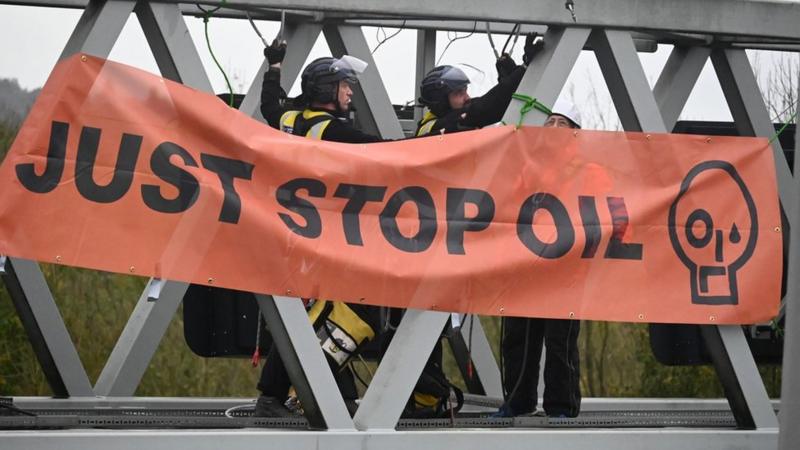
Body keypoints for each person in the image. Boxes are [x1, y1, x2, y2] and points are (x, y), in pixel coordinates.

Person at [254, 40, 387, 417]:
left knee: (318, 317)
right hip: (318, 239)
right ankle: (273, 395)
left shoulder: (290, 119)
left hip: (290, 235)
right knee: (333, 317)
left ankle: (335, 394)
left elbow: (269, 105)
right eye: (345, 86)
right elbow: (384, 150)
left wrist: (274, 67)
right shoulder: (331, 130)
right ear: (328, 90)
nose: (349, 92)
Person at [496, 99, 583, 418]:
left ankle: (562, 405)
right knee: (518, 336)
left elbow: (609, 210)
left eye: (563, 123)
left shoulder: (589, 170)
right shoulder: (527, 167)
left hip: (565, 267)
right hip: (525, 265)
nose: (555, 129)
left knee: (560, 341)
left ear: (576, 133)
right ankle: (517, 402)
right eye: (550, 122)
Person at [415, 34, 543, 137]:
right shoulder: (434, 128)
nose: (467, 97)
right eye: (459, 93)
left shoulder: (454, 117)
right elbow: (483, 108)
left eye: (465, 91)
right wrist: (523, 69)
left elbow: (496, 104)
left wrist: (512, 74)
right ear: (441, 101)